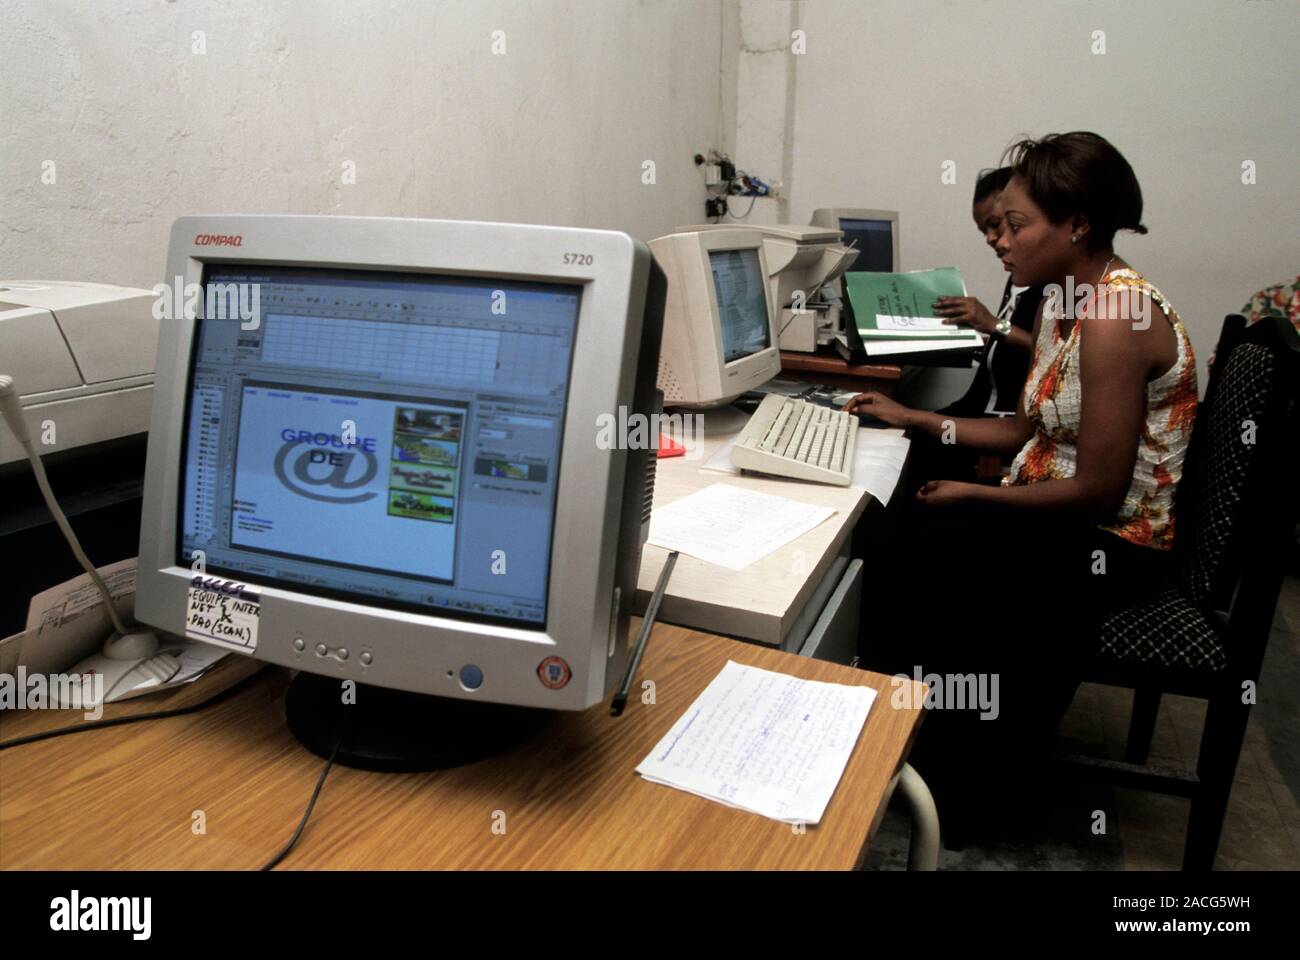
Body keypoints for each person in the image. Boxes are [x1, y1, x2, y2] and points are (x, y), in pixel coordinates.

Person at [846, 132, 1199, 827]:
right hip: (1059, 512)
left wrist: (978, 494)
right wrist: (911, 416)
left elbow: (1100, 488)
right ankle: (904, 755)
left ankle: (955, 788)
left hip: (1112, 541)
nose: (1001, 243)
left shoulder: (1113, 316)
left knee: (911, 550)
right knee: (896, 525)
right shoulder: (1067, 300)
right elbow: (1019, 432)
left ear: (1077, 225)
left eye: (1014, 226)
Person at [900, 166, 1044, 484]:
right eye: (985, 231)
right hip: (978, 410)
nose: (992, 239)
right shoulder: (1020, 274)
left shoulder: (1051, 283)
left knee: (906, 449)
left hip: (997, 426)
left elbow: (1056, 353)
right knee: (898, 437)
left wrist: (994, 325)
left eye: (998, 225)